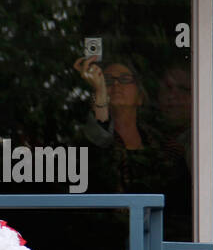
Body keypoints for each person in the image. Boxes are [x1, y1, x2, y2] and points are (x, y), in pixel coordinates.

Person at [73, 55, 170, 194]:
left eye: (125, 79)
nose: (116, 85)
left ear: (140, 97)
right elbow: (98, 147)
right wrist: (100, 91)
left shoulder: (163, 145)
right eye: (107, 81)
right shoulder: (87, 142)